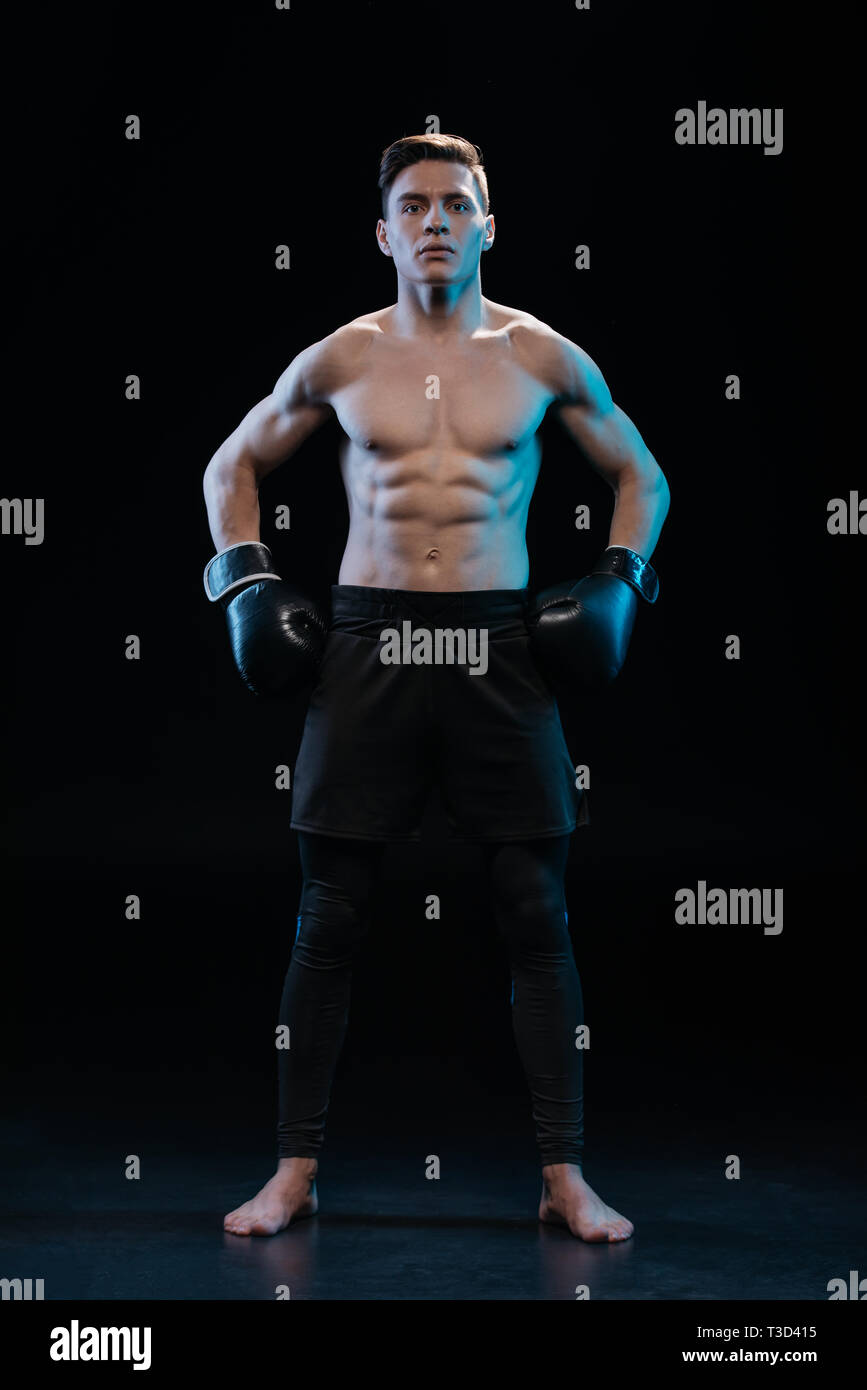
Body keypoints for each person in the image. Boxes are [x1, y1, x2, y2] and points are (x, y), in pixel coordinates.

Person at [203, 133, 669, 1242]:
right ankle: (293, 1173)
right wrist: (246, 587)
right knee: (329, 917)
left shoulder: (541, 354)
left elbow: (642, 477)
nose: (435, 222)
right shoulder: (342, 357)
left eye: (456, 204)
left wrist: (618, 580)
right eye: (412, 206)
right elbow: (231, 469)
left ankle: (564, 1181)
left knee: (534, 916)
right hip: (366, 644)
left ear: (488, 225)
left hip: (497, 650)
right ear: (383, 231)